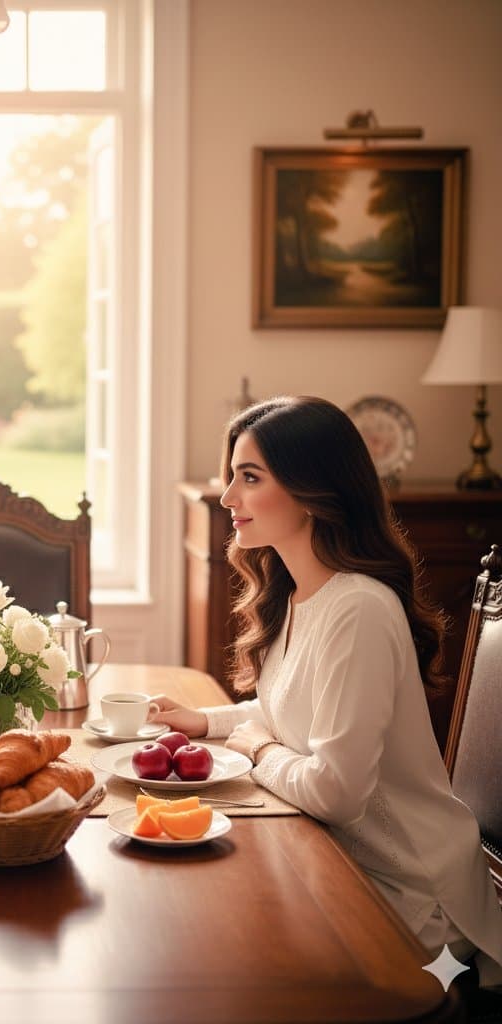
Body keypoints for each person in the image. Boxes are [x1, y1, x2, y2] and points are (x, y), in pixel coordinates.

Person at [149, 396, 502, 991]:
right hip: (345, 866)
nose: (228, 497)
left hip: (414, 901)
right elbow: (294, 713)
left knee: (215, 962)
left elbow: (335, 792)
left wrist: (259, 753)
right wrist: (204, 722)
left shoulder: (359, 609)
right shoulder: (300, 593)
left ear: (314, 490)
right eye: (231, 476)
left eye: (250, 477)